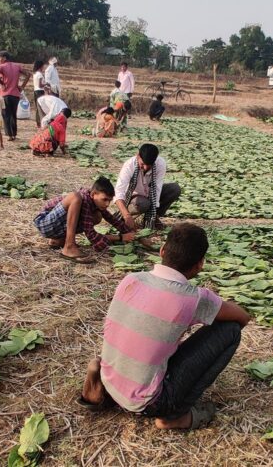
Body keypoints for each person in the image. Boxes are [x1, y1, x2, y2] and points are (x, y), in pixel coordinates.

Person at [79, 223, 251, 430]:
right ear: (199, 265)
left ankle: (102, 388)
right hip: (149, 402)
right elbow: (242, 318)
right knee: (230, 330)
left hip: (110, 378)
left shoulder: (131, 279)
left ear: (162, 251)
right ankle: (175, 416)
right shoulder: (194, 297)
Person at [34, 177, 135, 262]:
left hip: (56, 227)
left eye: (109, 200)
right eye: (104, 199)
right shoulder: (85, 199)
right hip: (45, 223)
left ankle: (58, 240)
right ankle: (69, 247)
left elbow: (113, 220)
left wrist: (135, 234)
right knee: (75, 197)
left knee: (97, 216)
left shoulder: (96, 203)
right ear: (93, 194)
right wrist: (120, 237)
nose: (107, 204)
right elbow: (91, 236)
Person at [114, 143, 181, 231]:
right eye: (142, 164)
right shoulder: (129, 165)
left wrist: (153, 214)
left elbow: (157, 187)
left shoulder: (160, 164)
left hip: (150, 194)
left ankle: (151, 218)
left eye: (149, 165)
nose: (145, 168)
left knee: (174, 189)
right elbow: (119, 192)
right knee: (144, 203)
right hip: (134, 198)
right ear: (138, 156)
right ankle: (125, 216)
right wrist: (126, 216)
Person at [0, 51, 30, 141]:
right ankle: (14, 134)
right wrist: (22, 86)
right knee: (13, 114)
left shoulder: (2, 66)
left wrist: (2, 83)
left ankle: (9, 135)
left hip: (6, 94)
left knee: (6, 114)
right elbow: (28, 74)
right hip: (15, 94)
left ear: (4, 58)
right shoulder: (17, 66)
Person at [31, 60, 46, 126]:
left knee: (37, 107)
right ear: (41, 66)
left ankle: (38, 122)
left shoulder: (35, 73)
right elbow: (40, 85)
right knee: (41, 107)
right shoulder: (40, 74)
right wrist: (46, 84)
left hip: (35, 91)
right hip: (40, 91)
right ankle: (40, 121)